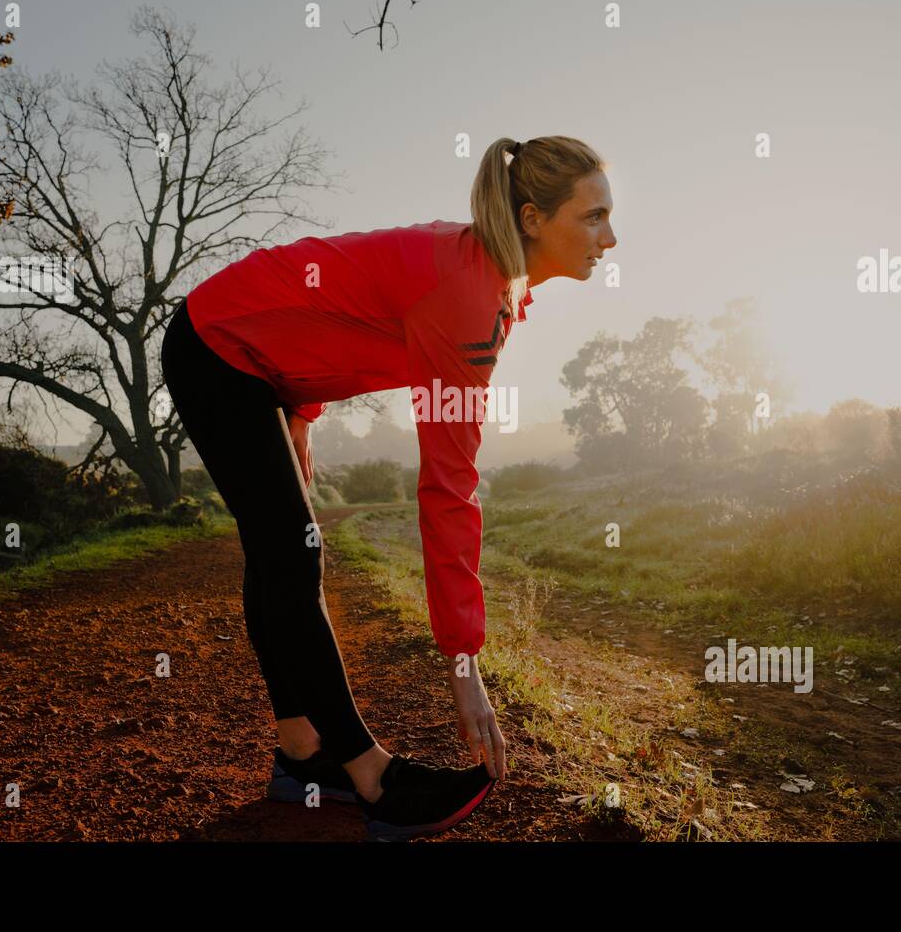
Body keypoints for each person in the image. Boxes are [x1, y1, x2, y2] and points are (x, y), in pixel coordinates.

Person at [159, 135, 616, 839]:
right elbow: (448, 486)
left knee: (280, 550)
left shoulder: (482, 280)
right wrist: (464, 663)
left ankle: (303, 754)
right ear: (532, 218)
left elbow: (334, 304)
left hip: (247, 354)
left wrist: (299, 414)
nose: (609, 237)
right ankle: (369, 775)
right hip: (218, 347)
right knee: (291, 552)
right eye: (593, 217)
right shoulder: (468, 293)